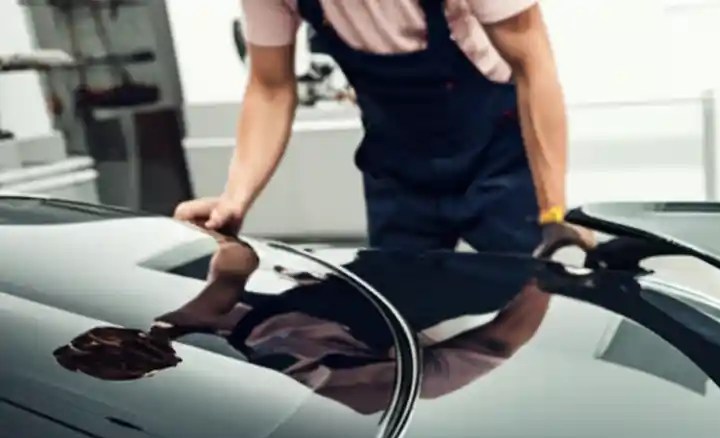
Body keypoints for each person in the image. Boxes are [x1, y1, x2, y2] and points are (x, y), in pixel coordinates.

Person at [174, 0, 591, 257]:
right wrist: (235, 199)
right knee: (394, 326)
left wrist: (553, 210)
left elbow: (533, 63)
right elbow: (269, 86)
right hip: (399, 172)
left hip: (496, 163)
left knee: (539, 311)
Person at [54, 232, 554, 414]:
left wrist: (220, 235)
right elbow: (492, 344)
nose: (111, 341)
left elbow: (231, 271)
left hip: (340, 278)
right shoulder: (340, 389)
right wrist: (552, 275)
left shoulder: (183, 332)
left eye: (105, 340)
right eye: (107, 354)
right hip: (393, 304)